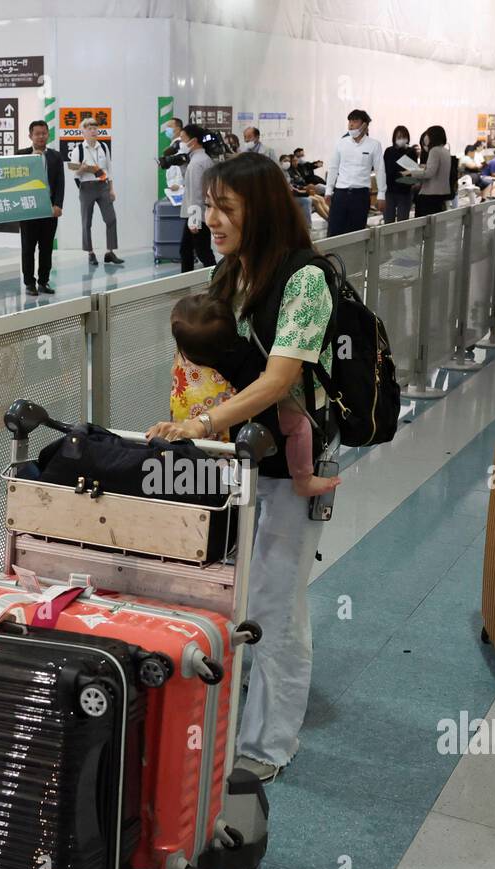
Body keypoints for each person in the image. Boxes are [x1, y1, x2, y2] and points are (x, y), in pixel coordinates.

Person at [148, 152, 335, 780]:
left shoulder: (305, 279)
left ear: (263, 210)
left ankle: (268, 744)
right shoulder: (233, 271)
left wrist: (203, 424)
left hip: (286, 461)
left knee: (278, 608)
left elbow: (281, 378)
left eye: (226, 207)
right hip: (233, 463)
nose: (213, 219)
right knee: (235, 596)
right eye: (209, 205)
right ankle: (230, 721)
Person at [170, 293, 341, 501]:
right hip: (238, 435)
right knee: (300, 424)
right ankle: (303, 479)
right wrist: (290, 375)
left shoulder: (182, 361)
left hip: (197, 439)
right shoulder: (242, 357)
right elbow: (266, 388)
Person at [16, 119, 65, 296]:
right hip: (28, 209)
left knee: (46, 248)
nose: (41, 136)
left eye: (44, 133)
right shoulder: (20, 155)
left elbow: (60, 183)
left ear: (48, 135)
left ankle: (44, 281)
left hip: (49, 209)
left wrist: (58, 204)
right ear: (30, 136)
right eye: (37, 133)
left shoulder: (55, 156)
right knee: (28, 248)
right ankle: (29, 283)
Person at [67, 117, 123, 267]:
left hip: (103, 186)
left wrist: (111, 189)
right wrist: (81, 169)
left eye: (95, 128)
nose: (93, 130)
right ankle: (90, 253)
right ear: (83, 131)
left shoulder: (104, 147)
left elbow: (109, 170)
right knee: (87, 222)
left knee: (111, 219)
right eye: (89, 128)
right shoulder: (78, 150)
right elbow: (75, 173)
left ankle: (109, 252)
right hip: (86, 188)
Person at [325, 109, 384, 235]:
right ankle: (331, 255)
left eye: (355, 121)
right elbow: (333, 167)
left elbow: (380, 170)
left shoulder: (374, 145)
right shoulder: (341, 143)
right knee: (334, 231)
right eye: (350, 121)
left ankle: (353, 255)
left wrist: (381, 194)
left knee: (356, 233)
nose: (351, 124)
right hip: (340, 193)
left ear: (364, 125)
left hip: (360, 195)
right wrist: (328, 191)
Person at [178, 124, 217, 272]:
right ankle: (187, 282)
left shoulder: (197, 163)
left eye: (182, 139)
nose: (180, 143)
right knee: (189, 250)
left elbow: (196, 192)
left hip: (197, 216)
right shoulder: (201, 159)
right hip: (200, 214)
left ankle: (216, 280)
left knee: (202, 252)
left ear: (193, 141)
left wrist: (194, 219)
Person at [406, 126, 452, 216]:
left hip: (430, 194)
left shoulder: (434, 151)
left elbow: (429, 173)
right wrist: (425, 166)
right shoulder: (446, 151)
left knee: (424, 224)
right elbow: (438, 169)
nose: (426, 137)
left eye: (427, 134)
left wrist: (412, 172)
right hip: (442, 192)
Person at [382, 125, 417, 222]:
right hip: (389, 191)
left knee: (403, 221)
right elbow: (385, 170)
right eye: (399, 137)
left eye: (404, 137)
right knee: (388, 221)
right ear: (394, 138)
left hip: (405, 192)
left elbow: (413, 172)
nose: (401, 139)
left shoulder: (411, 152)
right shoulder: (389, 151)